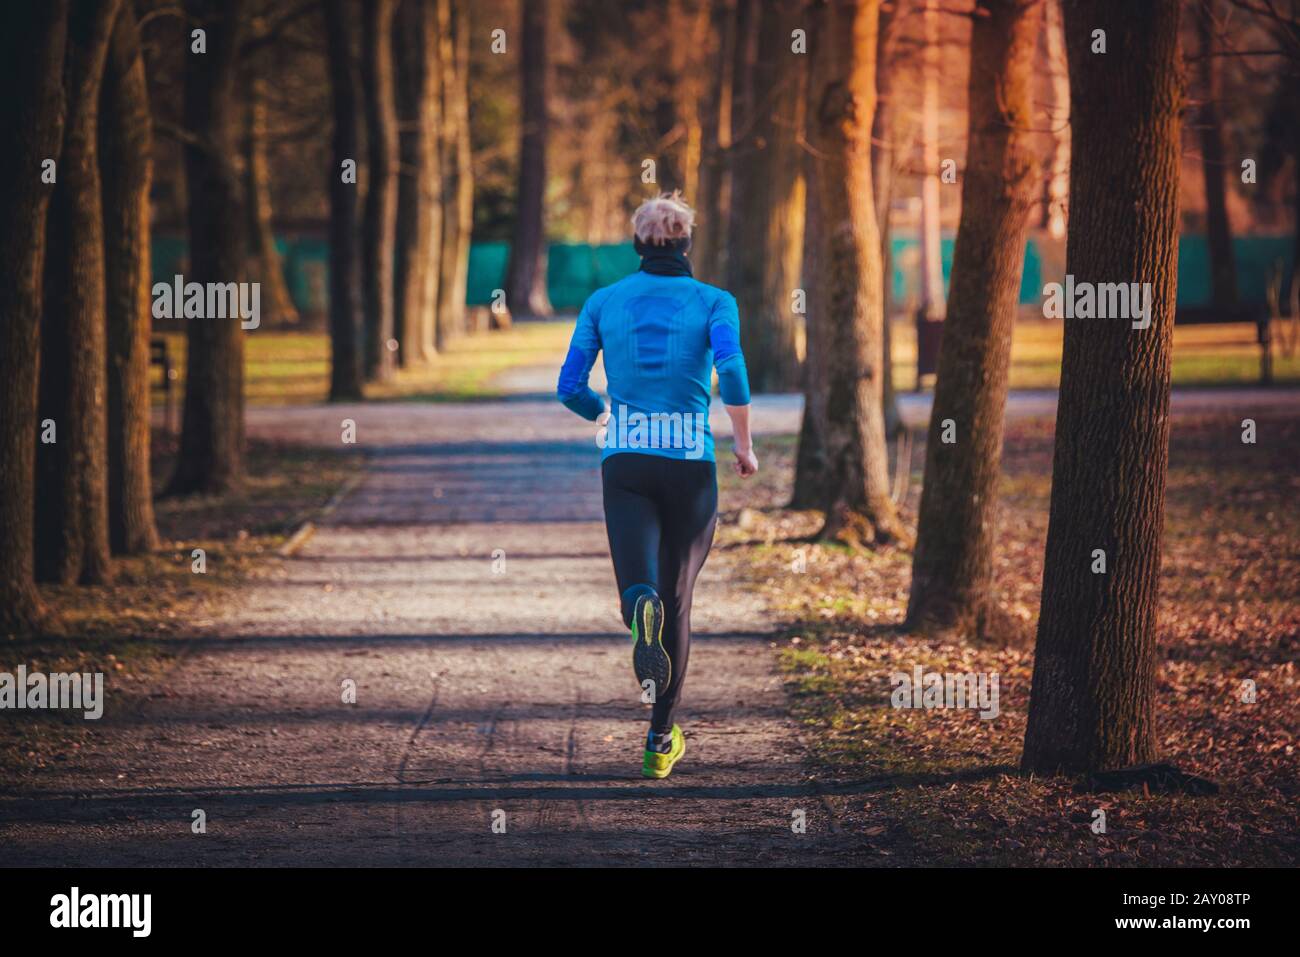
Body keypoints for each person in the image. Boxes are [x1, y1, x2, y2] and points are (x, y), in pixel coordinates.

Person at [556, 192, 757, 779]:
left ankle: (636, 602)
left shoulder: (602, 301)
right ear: (687, 244)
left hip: (627, 462)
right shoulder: (715, 301)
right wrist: (742, 444)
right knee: (679, 601)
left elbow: (570, 386)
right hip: (689, 461)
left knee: (640, 587)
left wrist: (605, 414)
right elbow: (733, 369)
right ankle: (659, 739)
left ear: (639, 245)